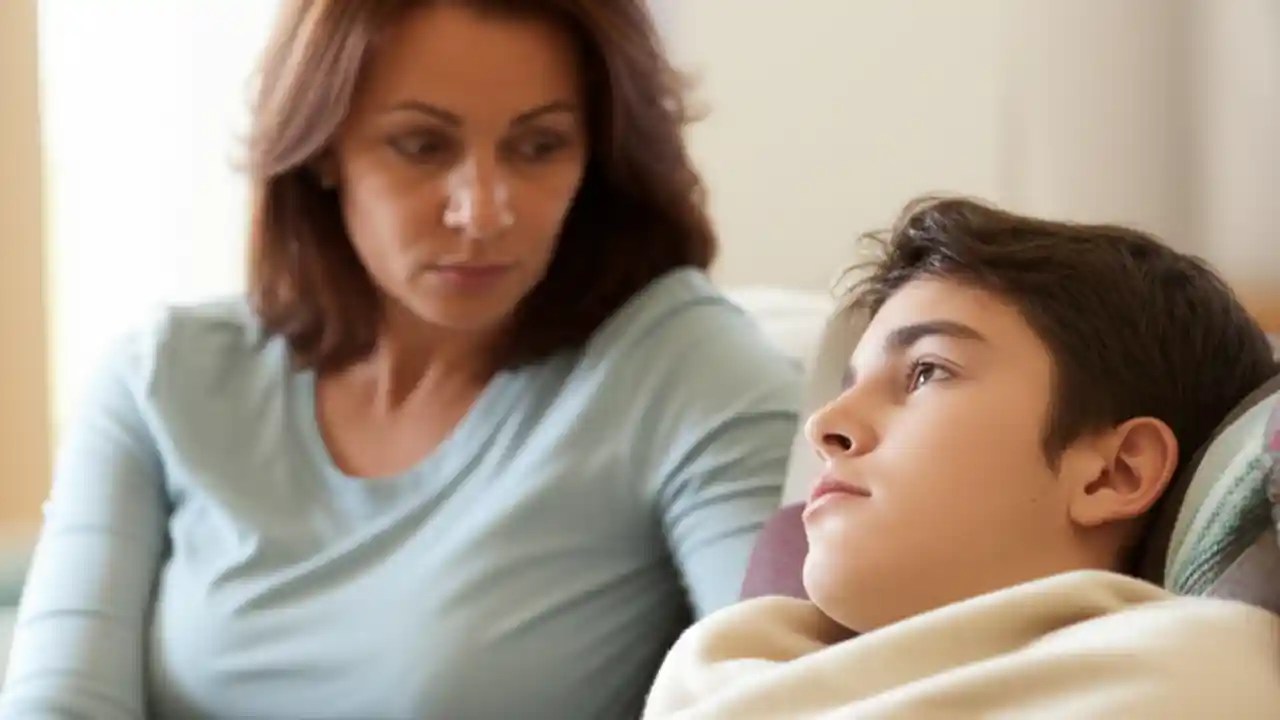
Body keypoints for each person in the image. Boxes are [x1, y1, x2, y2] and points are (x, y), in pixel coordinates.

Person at [1, 2, 801, 718]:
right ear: (322, 150)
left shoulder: (684, 371)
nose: (482, 210)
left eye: (539, 145)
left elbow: (795, 699)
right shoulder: (161, 378)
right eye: (421, 145)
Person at [643, 197, 1280, 718]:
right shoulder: (726, 665)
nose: (825, 427)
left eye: (925, 373)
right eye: (846, 387)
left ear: (1115, 473)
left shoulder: (1187, 675)